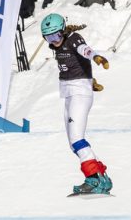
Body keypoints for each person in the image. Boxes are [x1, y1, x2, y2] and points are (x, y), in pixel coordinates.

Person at [40, 12, 112, 195]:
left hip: (79, 92)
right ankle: (101, 176)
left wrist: (96, 57)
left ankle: (93, 179)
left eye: (56, 35)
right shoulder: (58, 45)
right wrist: (90, 79)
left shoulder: (73, 38)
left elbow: (84, 50)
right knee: (73, 143)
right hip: (69, 93)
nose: (53, 40)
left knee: (77, 138)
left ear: (63, 31)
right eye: (49, 37)